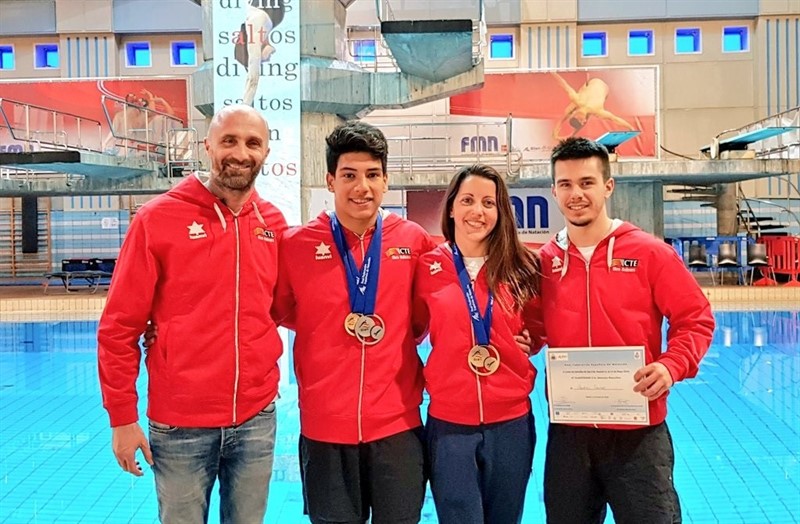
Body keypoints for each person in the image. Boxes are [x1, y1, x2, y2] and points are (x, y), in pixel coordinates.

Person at [97, 104, 287, 524]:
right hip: (181, 424)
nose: (240, 152)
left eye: (252, 143)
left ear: (267, 152)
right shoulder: (158, 219)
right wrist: (122, 419)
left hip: (256, 419)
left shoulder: (272, 223)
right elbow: (118, 328)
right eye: (229, 141)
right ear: (208, 147)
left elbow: (284, 309)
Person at [540, 137, 715, 523]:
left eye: (586, 182)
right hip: (570, 432)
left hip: (637, 431)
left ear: (607, 186)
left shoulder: (649, 252)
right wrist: (524, 338)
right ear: (554, 190)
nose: (576, 194)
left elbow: (695, 319)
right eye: (565, 184)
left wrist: (671, 366)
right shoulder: (546, 261)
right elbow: (535, 325)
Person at [271, 120, 435, 524]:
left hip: (397, 427)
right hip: (325, 430)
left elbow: (427, 316)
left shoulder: (413, 241)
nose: (362, 186)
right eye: (349, 175)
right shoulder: (296, 245)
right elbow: (280, 310)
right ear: (330, 180)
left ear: (386, 180)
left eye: (372, 175)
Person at [412, 164, 543, 524]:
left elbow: (542, 323)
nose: (478, 211)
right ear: (451, 207)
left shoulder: (522, 265)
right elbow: (411, 328)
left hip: (511, 424)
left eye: (489, 202)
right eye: (468, 200)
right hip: (450, 423)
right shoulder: (428, 267)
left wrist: (532, 340)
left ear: (500, 212)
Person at [550, 72, 636, 140]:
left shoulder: (596, 110)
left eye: (582, 121)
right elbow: (563, 84)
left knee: (576, 108)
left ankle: (571, 132)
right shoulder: (577, 99)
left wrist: (630, 127)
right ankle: (571, 131)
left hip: (601, 86)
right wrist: (552, 72)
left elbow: (615, 119)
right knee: (577, 106)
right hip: (594, 83)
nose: (584, 122)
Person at [236, 0, 286, 106]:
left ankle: (246, 103)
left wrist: (246, 103)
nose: (268, 59)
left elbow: (253, 76)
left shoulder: (254, 24)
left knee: (254, 63)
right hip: (271, 14)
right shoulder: (256, 23)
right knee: (254, 62)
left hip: (266, 13)